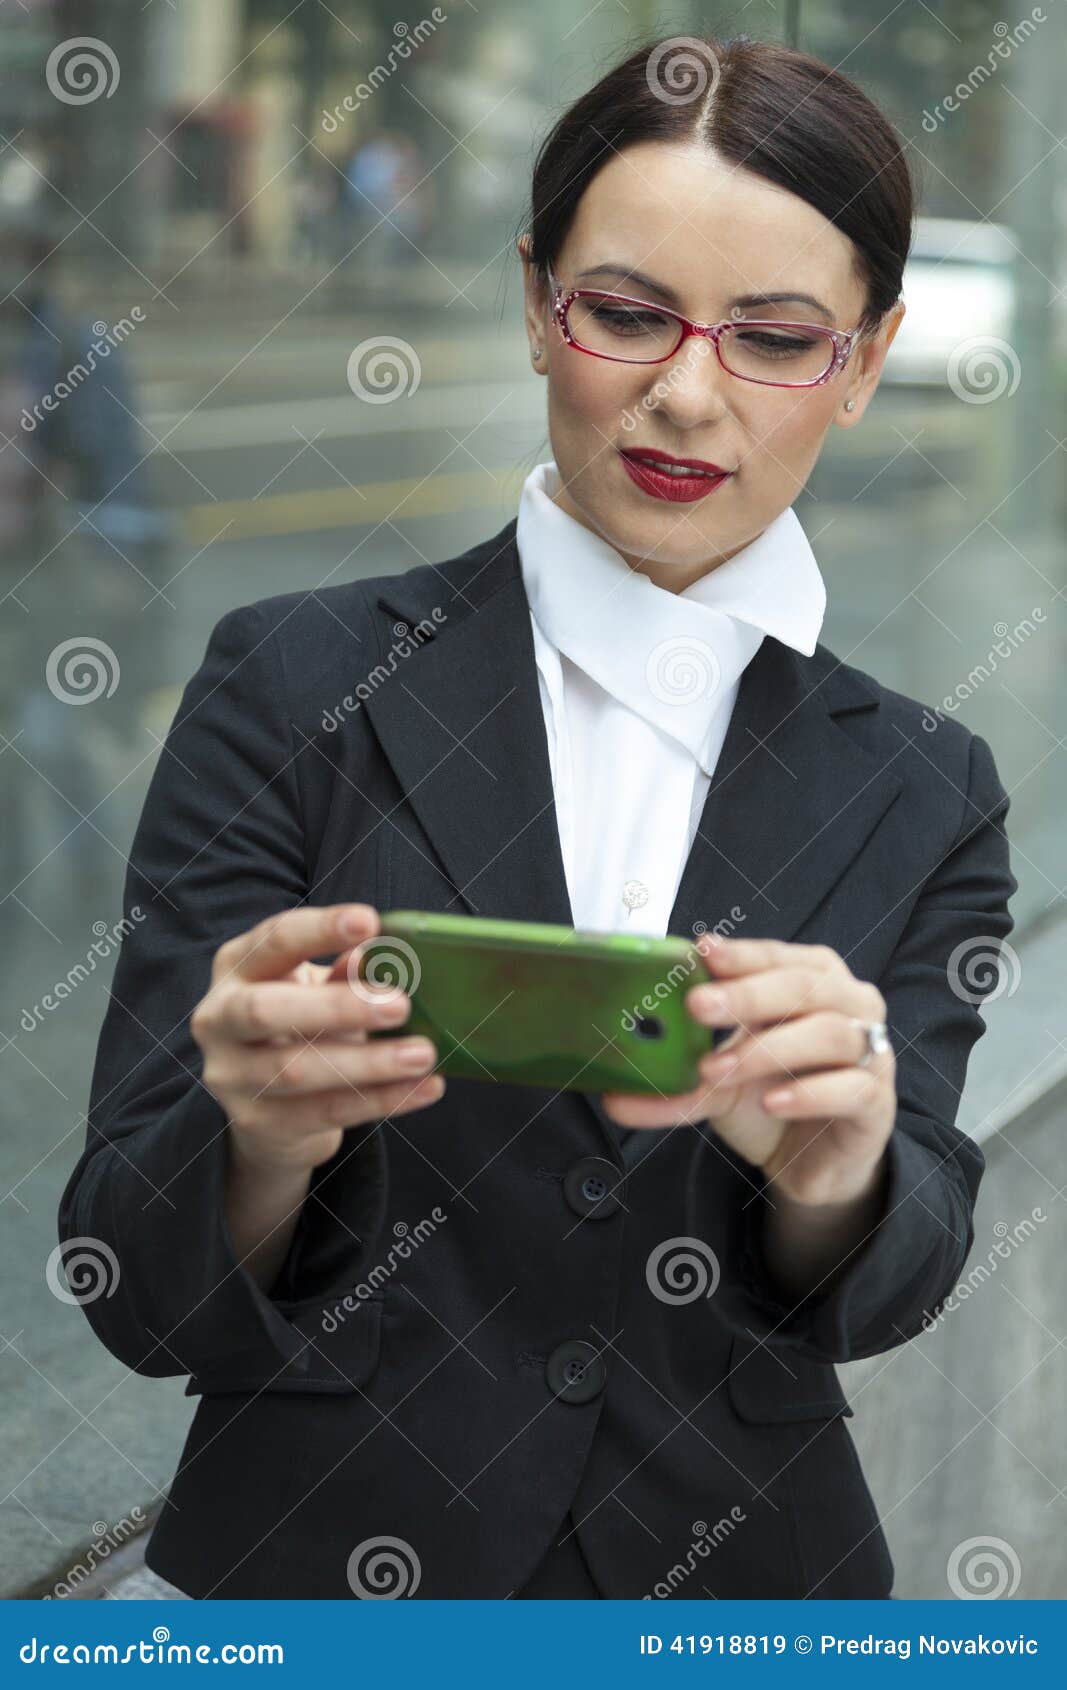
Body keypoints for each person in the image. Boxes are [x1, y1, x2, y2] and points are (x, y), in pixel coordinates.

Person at [59, 34, 1017, 1600]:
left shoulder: (926, 783)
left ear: (864, 360)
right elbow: (129, 1282)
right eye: (626, 314)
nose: (686, 393)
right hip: (314, 1574)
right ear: (532, 303)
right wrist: (253, 1137)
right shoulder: (294, 681)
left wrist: (840, 1168)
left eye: (777, 338)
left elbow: (894, 1280)